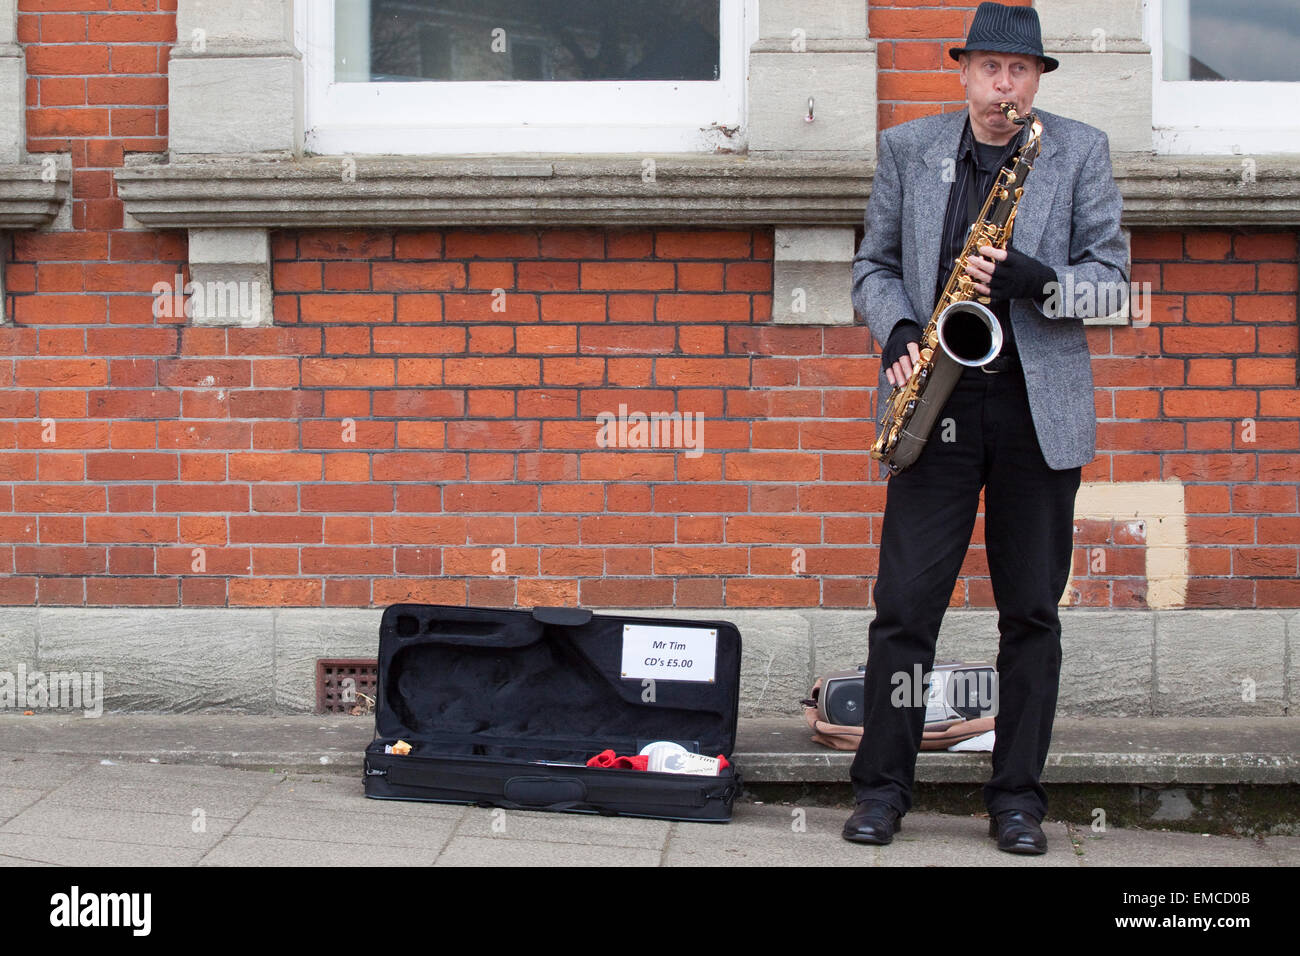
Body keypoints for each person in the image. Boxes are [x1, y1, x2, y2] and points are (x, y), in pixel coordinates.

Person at [846, 1, 1128, 854]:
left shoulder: (1077, 151)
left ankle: (1017, 802)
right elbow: (873, 264)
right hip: (934, 400)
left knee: (1031, 615)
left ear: (1037, 80)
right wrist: (898, 331)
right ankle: (882, 791)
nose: (1005, 85)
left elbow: (1112, 291)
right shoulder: (908, 149)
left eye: (1021, 71)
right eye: (990, 68)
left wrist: (1034, 278)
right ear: (964, 71)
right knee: (903, 610)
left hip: (1033, 414)